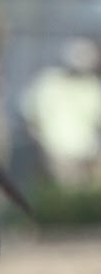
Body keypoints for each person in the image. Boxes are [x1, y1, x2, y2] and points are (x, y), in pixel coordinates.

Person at [21, 37, 101, 188]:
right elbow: (29, 117)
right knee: (66, 193)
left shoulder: (92, 86)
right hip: (57, 153)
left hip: (87, 154)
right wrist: (41, 144)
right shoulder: (49, 83)